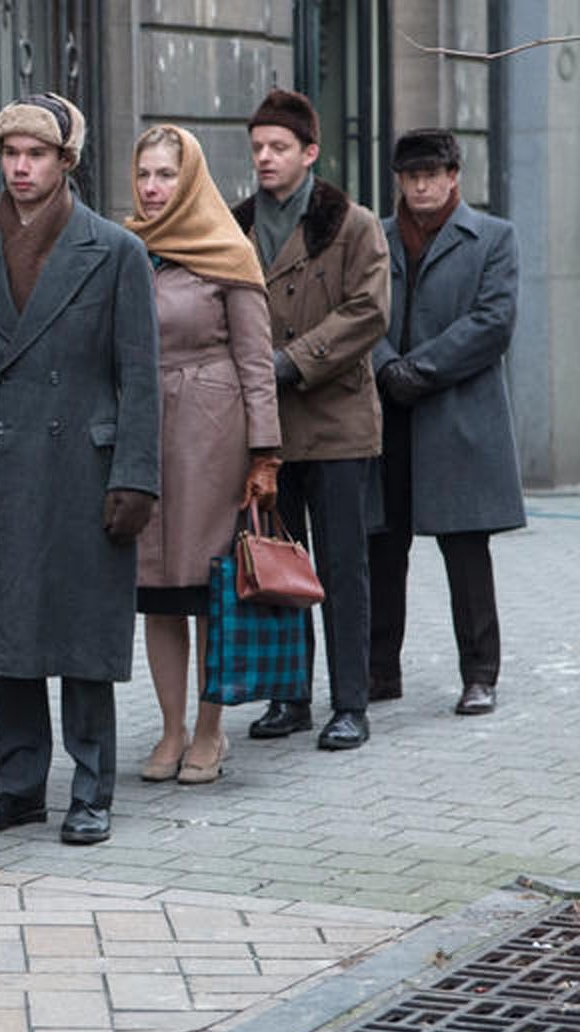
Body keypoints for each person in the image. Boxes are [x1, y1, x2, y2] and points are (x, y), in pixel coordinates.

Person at [0, 93, 161, 845]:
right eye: (10, 153)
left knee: (81, 634)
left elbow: (140, 377)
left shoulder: (115, 251)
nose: (20, 167)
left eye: (36, 154)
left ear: (66, 162)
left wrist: (136, 475)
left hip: (82, 468)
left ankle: (91, 788)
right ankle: (19, 784)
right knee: (7, 629)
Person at [231, 89, 390, 751]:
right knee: (277, 562)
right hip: (267, 426)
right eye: (258, 148)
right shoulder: (236, 224)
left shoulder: (351, 223)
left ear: (310, 152)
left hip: (336, 420)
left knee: (343, 567)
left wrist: (293, 361)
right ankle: (289, 696)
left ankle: (351, 702)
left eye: (279, 147)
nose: (266, 158)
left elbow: (369, 311)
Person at [124, 125, 280, 785]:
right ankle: (171, 728)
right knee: (157, 589)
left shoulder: (226, 249)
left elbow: (256, 360)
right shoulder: (127, 249)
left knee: (209, 586)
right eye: (144, 174)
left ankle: (212, 730)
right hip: (144, 430)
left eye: (166, 174)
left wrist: (265, 452)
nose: (153, 187)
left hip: (212, 436)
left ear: (189, 179)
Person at [368, 128, 522, 716]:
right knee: (382, 548)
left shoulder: (493, 237)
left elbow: (493, 323)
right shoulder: (376, 237)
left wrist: (418, 370)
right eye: (411, 176)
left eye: (432, 174)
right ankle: (379, 672)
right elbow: (360, 311)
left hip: (457, 414)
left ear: (454, 176)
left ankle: (480, 674)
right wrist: (386, 366)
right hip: (387, 414)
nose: (421, 186)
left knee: (465, 550)